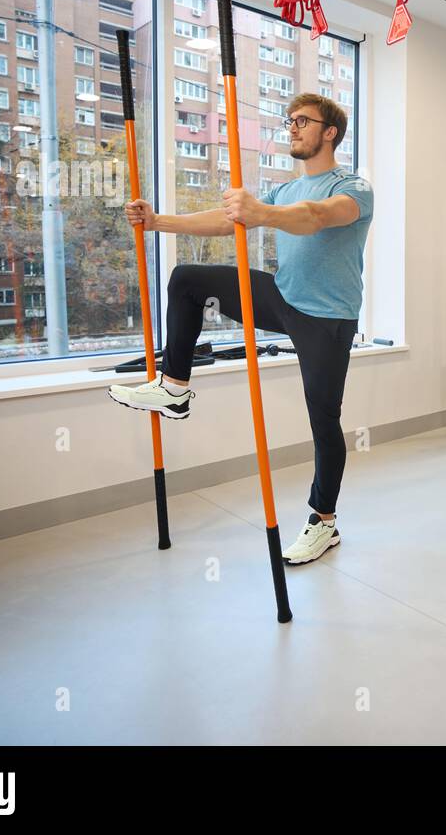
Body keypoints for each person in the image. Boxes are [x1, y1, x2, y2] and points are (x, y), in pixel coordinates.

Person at [108, 94, 372, 567]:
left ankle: (324, 522)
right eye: (289, 121)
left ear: (330, 131)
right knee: (187, 279)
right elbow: (226, 221)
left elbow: (316, 217)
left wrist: (262, 214)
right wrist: (158, 222)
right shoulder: (285, 190)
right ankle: (175, 389)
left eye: (303, 121)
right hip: (284, 297)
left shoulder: (353, 187)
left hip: (328, 318)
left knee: (323, 420)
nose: (293, 128)